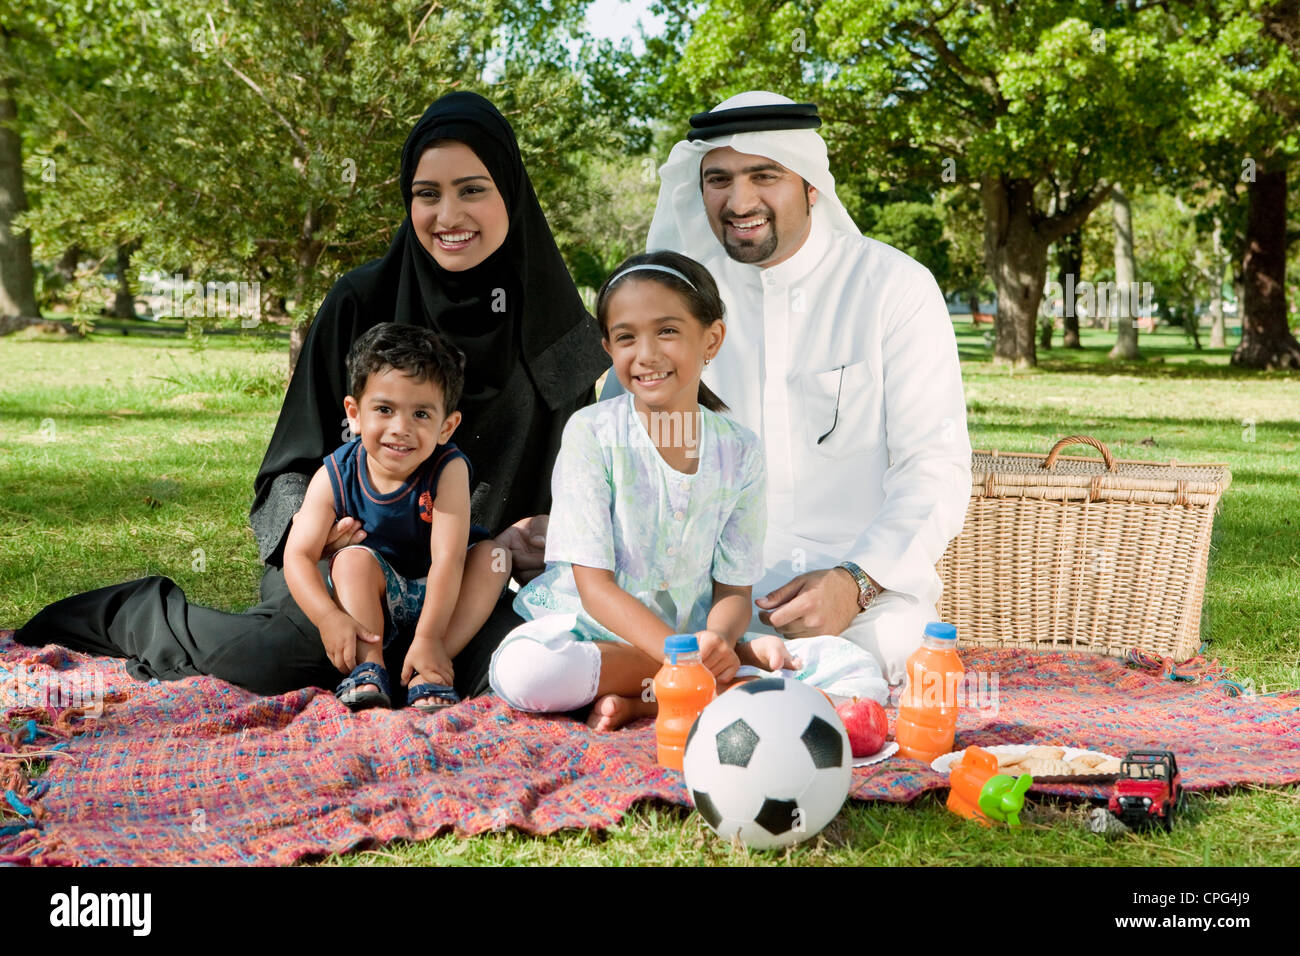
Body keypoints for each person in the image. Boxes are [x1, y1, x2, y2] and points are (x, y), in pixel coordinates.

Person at [15, 92, 609, 705]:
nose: (447, 214)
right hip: (344, 560)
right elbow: (287, 467)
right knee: (279, 662)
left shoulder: (553, 326)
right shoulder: (360, 300)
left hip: (475, 585)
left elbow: (584, 484)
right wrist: (314, 528)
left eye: (472, 189)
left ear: (510, 192)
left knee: (522, 675)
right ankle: (136, 613)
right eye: (427, 193)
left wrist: (536, 535)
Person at [603, 91, 972, 699]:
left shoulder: (894, 289)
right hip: (700, 598)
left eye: (764, 175)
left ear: (810, 186)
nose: (739, 201)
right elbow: (618, 454)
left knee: (893, 657)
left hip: (859, 603)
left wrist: (856, 582)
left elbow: (933, 467)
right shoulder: (672, 307)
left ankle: (687, 693)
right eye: (718, 179)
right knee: (569, 649)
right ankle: (703, 682)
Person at [489, 252, 888, 725]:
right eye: (626, 337)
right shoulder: (592, 433)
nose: (647, 353)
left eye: (667, 331)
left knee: (861, 671)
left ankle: (659, 696)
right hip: (594, 633)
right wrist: (689, 659)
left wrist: (717, 638)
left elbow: (734, 590)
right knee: (526, 672)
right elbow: (594, 590)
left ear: (712, 339)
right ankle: (719, 682)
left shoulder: (740, 451)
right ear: (608, 349)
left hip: (698, 635)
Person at [284, 323, 510, 712]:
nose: (400, 429)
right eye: (384, 410)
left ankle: (431, 664)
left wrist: (431, 634)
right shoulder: (335, 474)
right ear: (354, 414)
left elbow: (449, 559)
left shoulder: (448, 469)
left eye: (421, 413)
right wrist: (326, 618)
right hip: (377, 599)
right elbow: (298, 556)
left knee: (494, 557)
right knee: (351, 559)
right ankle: (370, 669)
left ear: (447, 426)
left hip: (445, 596)